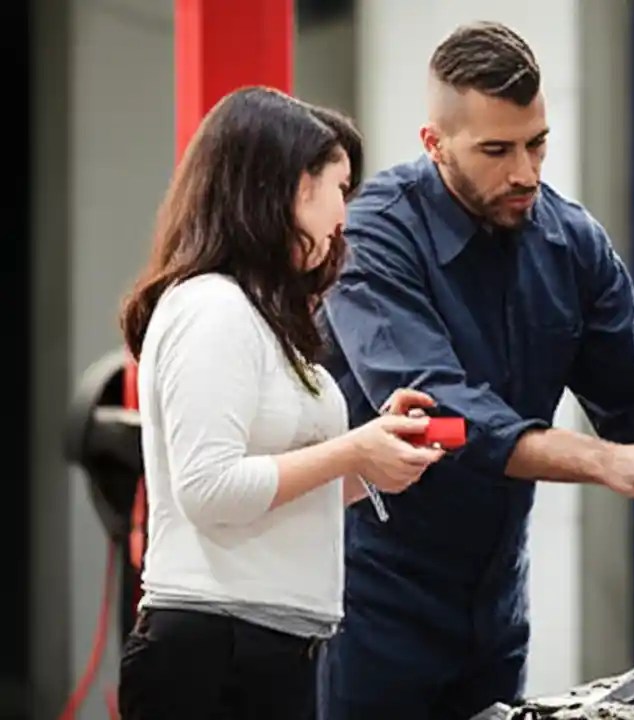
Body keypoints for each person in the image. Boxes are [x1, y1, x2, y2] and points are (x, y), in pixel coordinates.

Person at [316, 21, 634, 719]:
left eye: (537, 144)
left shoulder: (573, 243)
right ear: (434, 144)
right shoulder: (375, 236)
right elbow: (434, 417)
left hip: (496, 600)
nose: (525, 174)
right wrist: (605, 464)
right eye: (496, 150)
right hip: (370, 595)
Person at [115, 86, 449, 719]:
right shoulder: (211, 308)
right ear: (290, 188)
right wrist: (351, 448)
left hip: (273, 649)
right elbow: (210, 489)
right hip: (213, 652)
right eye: (339, 189)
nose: (344, 217)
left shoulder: (264, 319)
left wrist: (373, 460)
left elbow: (275, 482)